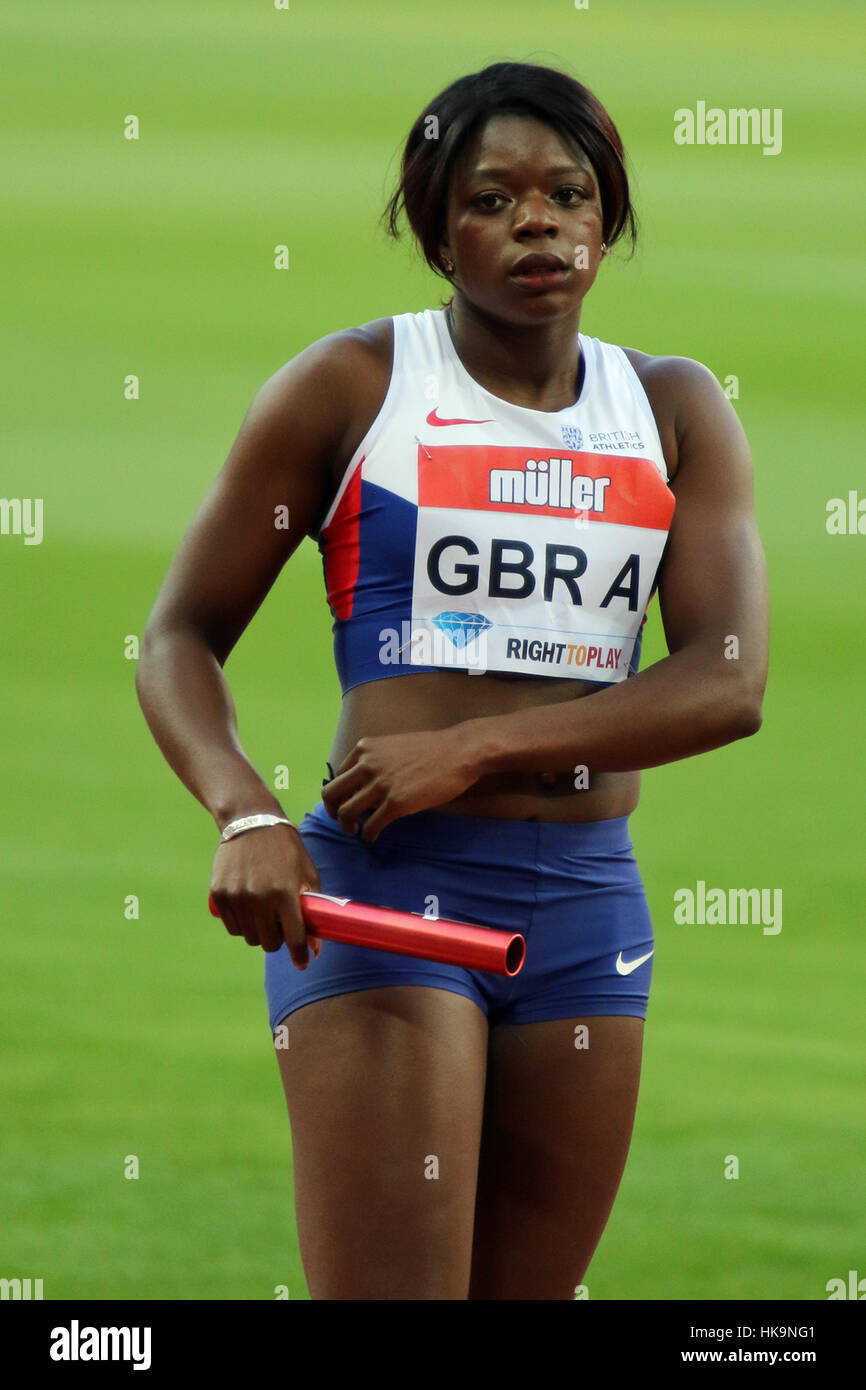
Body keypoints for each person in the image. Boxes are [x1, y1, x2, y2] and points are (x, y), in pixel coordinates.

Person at [135, 60, 769, 1301]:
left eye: (569, 194)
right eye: (492, 199)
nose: (539, 222)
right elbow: (178, 636)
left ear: (608, 219)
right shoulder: (358, 387)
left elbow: (727, 679)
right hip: (390, 896)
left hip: (589, 912)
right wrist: (246, 811)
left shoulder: (671, 408)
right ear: (435, 228)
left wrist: (473, 746)